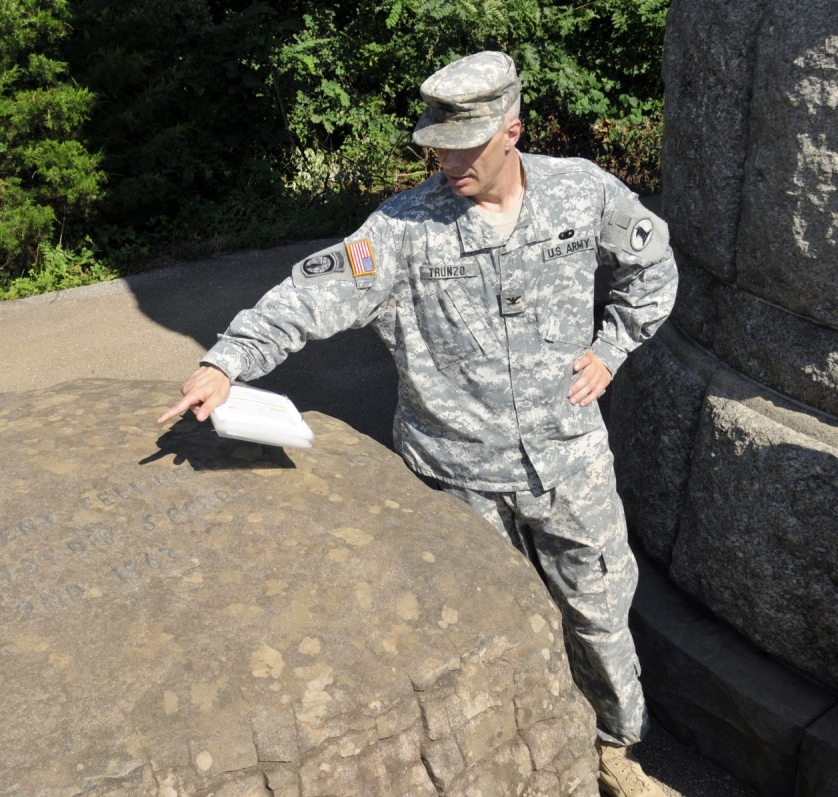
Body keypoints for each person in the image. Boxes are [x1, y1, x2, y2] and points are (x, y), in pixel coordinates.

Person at [157, 51, 676, 797]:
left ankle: (618, 746)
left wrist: (612, 348)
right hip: (456, 483)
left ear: (512, 133)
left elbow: (652, 262)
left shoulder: (580, 194)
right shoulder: (401, 231)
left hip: (571, 466)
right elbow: (307, 297)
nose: (445, 159)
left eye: (463, 145)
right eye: (436, 143)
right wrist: (225, 361)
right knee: (480, 633)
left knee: (598, 612)